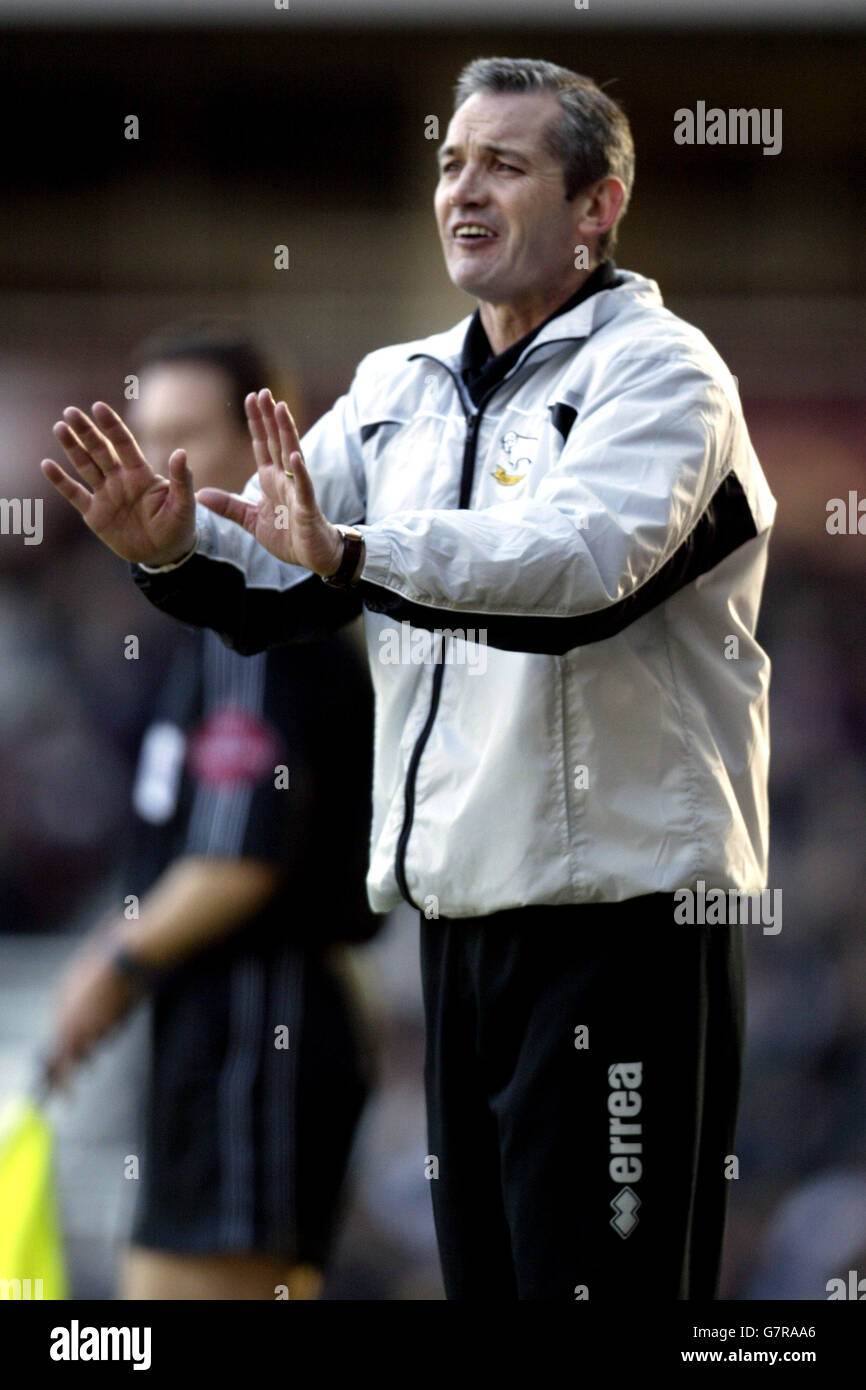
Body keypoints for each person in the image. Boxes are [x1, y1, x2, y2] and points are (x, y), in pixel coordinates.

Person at [42, 58, 777, 1301]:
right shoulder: (398, 387)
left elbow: (582, 566)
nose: (462, 189)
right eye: (449, 162)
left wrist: (357, 550)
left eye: (504, 164)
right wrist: (168, 546)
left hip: (622, 927)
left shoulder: (664, 374)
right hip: (457, 929)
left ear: (597, 206)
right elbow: (282, 565)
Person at [43, 329, 380, 1301]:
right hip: (229, 1025)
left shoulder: (255, 621)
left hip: (254, 1021)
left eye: (185, 435)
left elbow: (238, 859)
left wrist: (104, 969)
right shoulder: (205, 623)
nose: (155, 466)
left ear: (269, 446)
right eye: (144, 436)